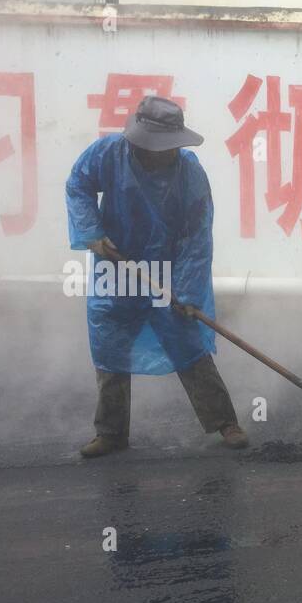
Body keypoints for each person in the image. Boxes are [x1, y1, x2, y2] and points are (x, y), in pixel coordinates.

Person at [66, 95, 248, 457]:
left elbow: (197, 237)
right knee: (110, 345)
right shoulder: (108, 155)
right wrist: (92, 231)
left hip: (166, 270)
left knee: (187, 343)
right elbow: (78, 185)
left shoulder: (189, 172)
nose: (161, 153)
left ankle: (225, 422)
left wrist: (187, 293)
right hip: (116, 264)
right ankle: (112, 432)